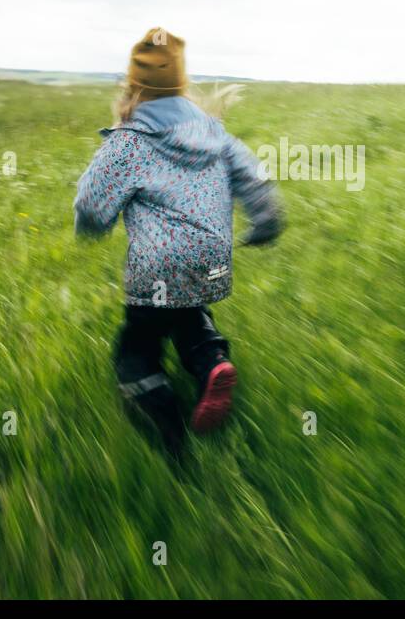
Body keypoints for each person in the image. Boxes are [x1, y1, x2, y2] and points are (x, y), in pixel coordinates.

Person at [74, 28, 284, 457]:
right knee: (190, 315)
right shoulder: (214, 133)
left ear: (133, 89)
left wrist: (90, 226)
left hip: (156, 268)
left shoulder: (128, 143)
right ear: (181, 85)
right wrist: (265, 220)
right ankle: (212, 364)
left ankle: (167, 427)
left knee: (139, 345)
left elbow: (93, 204)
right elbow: (254, 178)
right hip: (212, 261)